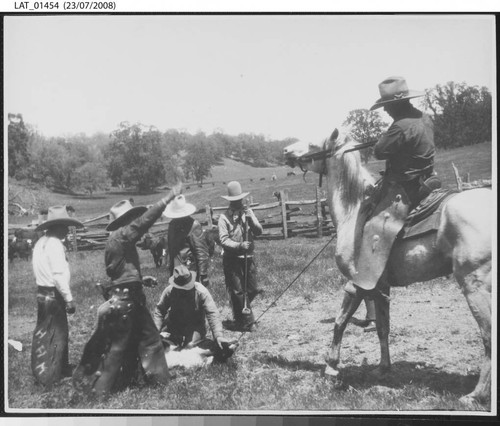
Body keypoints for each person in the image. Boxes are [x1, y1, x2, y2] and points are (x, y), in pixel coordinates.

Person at [73, 185, 180, 397]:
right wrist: (168, 197)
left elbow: (118, 274)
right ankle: (156, 383)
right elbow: (144, 221)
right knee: (141, 343)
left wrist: (140, 280)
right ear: (126, 221)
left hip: (123, 299)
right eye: (132, 218)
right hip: (129, 302)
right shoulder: (122, 235)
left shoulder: (115, 240)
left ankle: (111, 386)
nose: (135, 222)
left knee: (125, 345)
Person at [352, 76, 437, 291]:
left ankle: (369, 275)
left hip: (406, 186)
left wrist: (386, 136)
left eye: (387, 107)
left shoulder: (399, 126)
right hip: (429, 178)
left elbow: (380, 150)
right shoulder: (425, 118)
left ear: (396, 104)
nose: (385, 111)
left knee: (370, 223)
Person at [31, 205, 84, 387]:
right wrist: (68, 298)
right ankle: (55, 373)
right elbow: (59, 274)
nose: (68, 230)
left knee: (44, 332)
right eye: (65, 226)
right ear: (57, 226)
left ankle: (45, 370)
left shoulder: (41, 243)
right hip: (53, 295)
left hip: (42, 294)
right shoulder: (55, 245)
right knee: (58, 333)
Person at [153, 265, 235, 362]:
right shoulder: (169, 291)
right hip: (173, 327)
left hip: (194, 328)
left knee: (190, 348)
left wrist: (218, 335)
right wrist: (155, 331)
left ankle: (220, 351)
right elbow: (159, 310)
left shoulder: (201, 292)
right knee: (160, 346)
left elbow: (212, 314)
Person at [218, 181, 264, 332]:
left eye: (240, 200)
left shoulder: (248, 213)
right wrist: (238, 246)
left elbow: (259, 231)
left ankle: (239, 315)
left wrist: (251, 219)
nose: (239, 203)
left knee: (252, 289)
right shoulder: (224, 218)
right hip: (232, 260)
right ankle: (249, 322)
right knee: (238, 291)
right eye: (235, 201)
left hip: (248, 258)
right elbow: (223, 240)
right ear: (230, 201)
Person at [163, 195, 211, 286]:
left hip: (189, 268)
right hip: (176, 270)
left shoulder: (193, 225)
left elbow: (201, 251)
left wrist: (203, 274)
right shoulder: (172, 226)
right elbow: (170, 249)